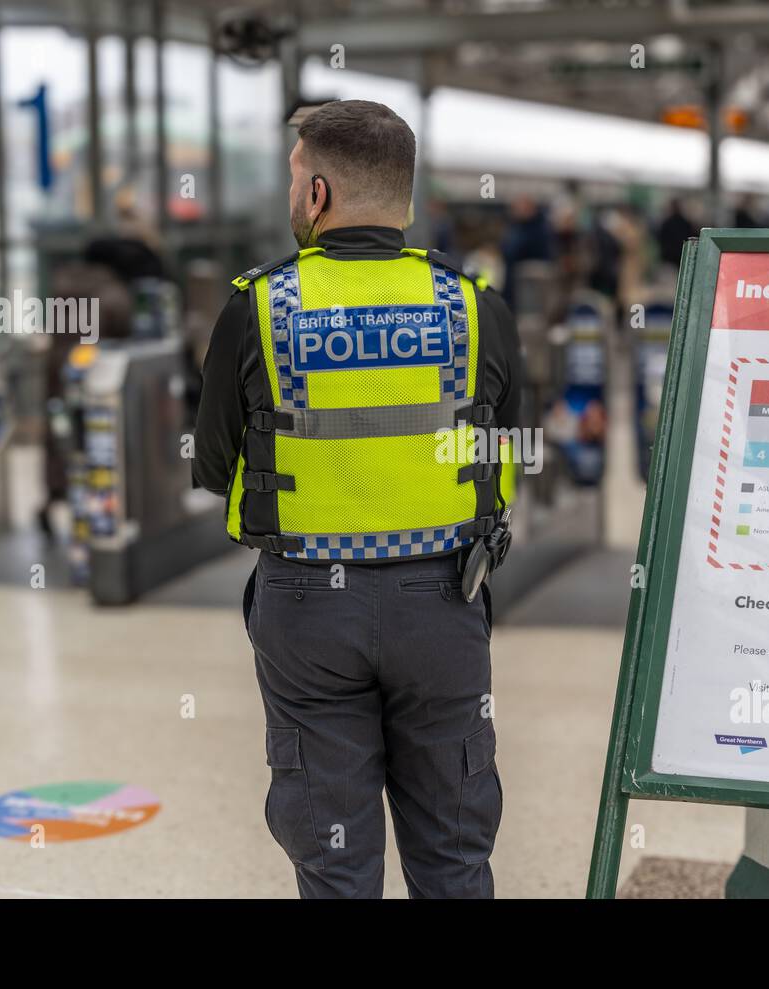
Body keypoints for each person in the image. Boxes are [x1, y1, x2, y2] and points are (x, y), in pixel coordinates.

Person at [192, 100, 524, 899]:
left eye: (295, 178)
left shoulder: (259, 307)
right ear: (403, 196)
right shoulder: (474, 305)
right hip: (445, 600)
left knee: (334, 859)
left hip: (307, 610)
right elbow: (505, 447)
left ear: (317, 194)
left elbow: (212, 464)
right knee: (453, 854)